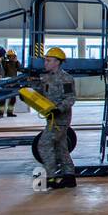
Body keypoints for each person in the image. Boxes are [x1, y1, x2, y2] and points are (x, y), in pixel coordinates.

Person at [36, 46, 77, 189]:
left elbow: (71, 98)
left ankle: (51, 177)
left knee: (44, 144)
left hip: (60, 119)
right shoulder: (46, 78)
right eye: (45, 60)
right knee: (61, 147)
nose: (45, 63)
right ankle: (69, 177)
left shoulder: (66, 78)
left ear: (57, 62)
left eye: (48, 61)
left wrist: (58, 110)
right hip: (50, 117)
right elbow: (40, 93)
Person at [1, 48, 22, 117]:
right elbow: (2, 65)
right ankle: (0, 113)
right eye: (10, 56)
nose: (11, 58)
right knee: (2, 99)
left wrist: (17, 61)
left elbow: (20, 68)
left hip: (14, 83)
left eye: (13, 56)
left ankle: (10, 113)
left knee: (13, 99)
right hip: (6, 83)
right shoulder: (5, 63)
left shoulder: (16, 63)